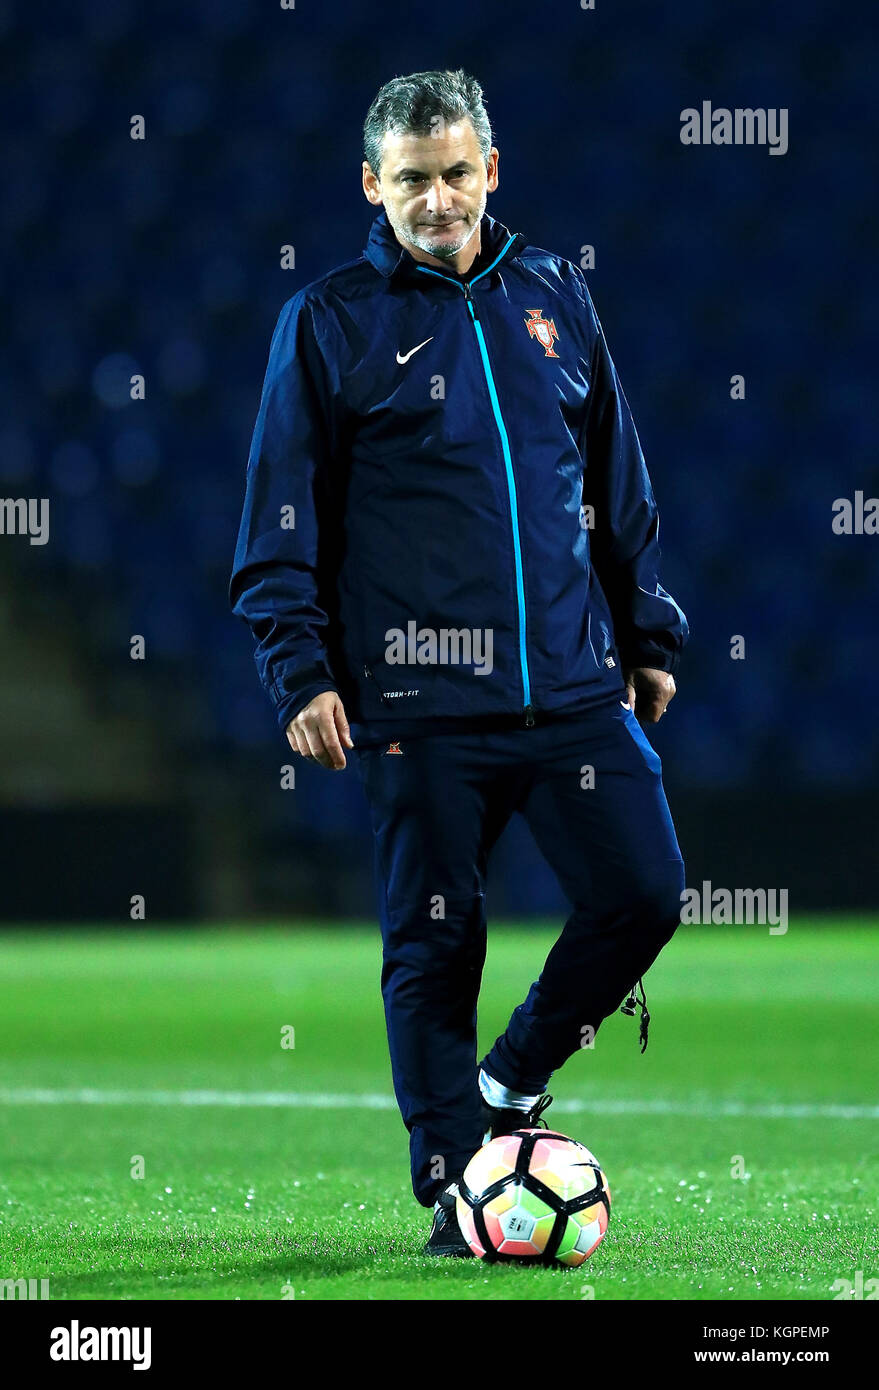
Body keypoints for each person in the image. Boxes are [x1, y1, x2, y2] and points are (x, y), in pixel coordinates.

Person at [230, 68, 688, 1256]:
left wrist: (648, 630)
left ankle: (511, 1084)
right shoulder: (328, 322)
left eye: (457, 173)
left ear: (491, 170)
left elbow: (613, 476)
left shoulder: (552, 290)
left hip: (573, 687)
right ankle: (454, 1185)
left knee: (645, 890)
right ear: (373, 185)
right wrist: (303, 672)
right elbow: (278, 521)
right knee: (436, 943)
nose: (438, 198)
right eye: (413, 180)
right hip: (417, 701)